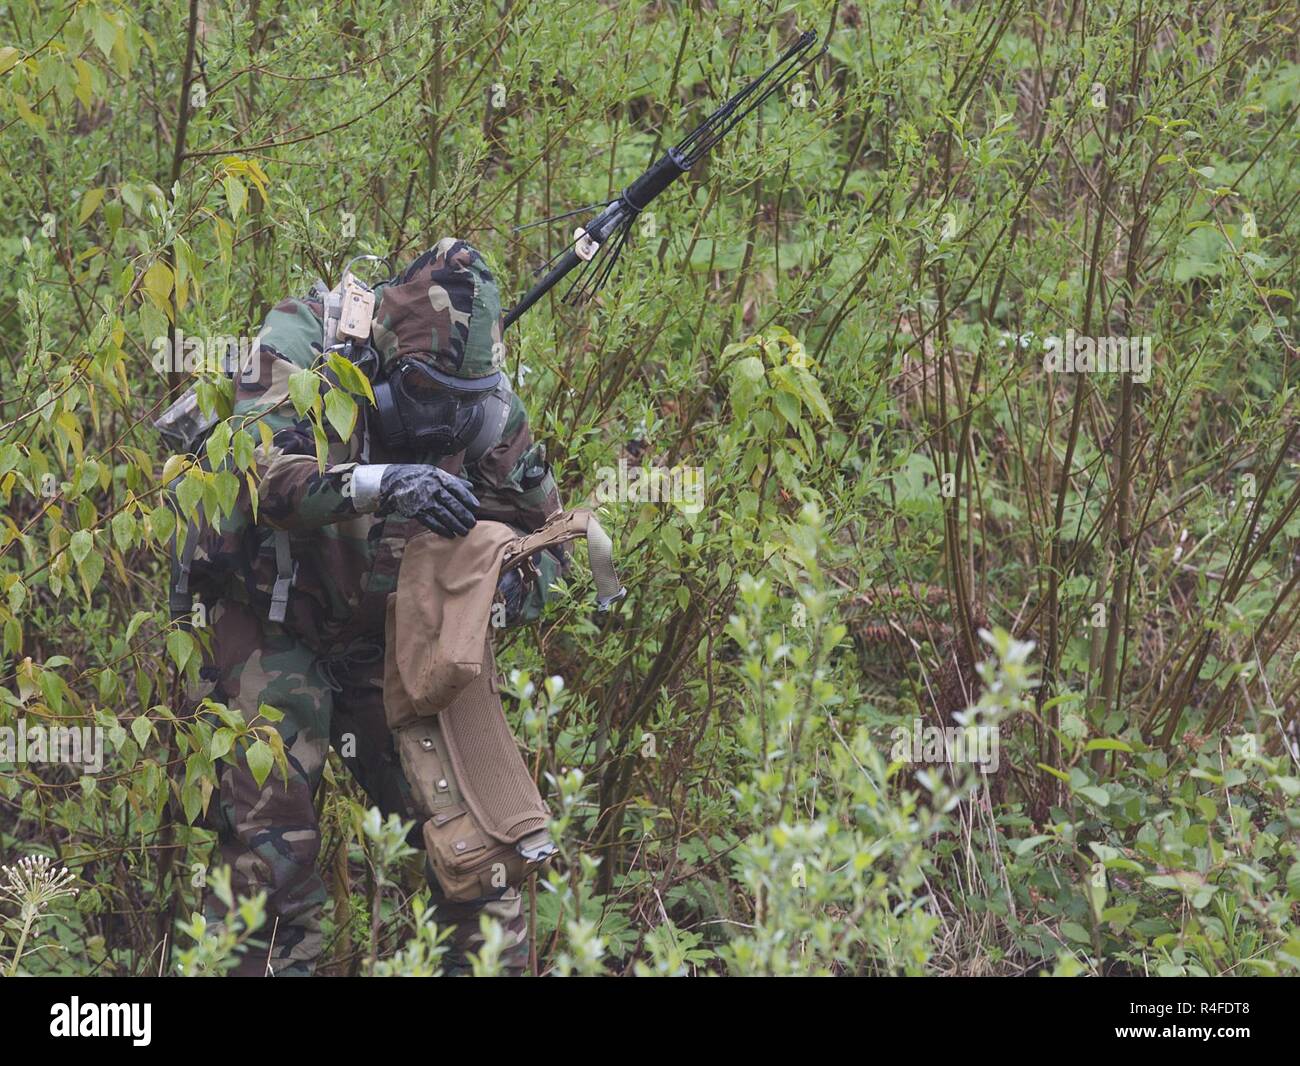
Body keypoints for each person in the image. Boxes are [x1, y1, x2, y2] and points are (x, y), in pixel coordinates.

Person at [188, 238, 564, 975]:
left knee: (481, 856)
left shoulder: (486, 410)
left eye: (465, 404)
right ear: (389, 365)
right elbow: (266, 476)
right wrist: (380, 483)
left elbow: (553, 544)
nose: (446, 422)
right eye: (428, 395)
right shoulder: (305, 340)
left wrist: (498, 590)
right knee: (269, 869)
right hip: (269, 624)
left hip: (395, 644)